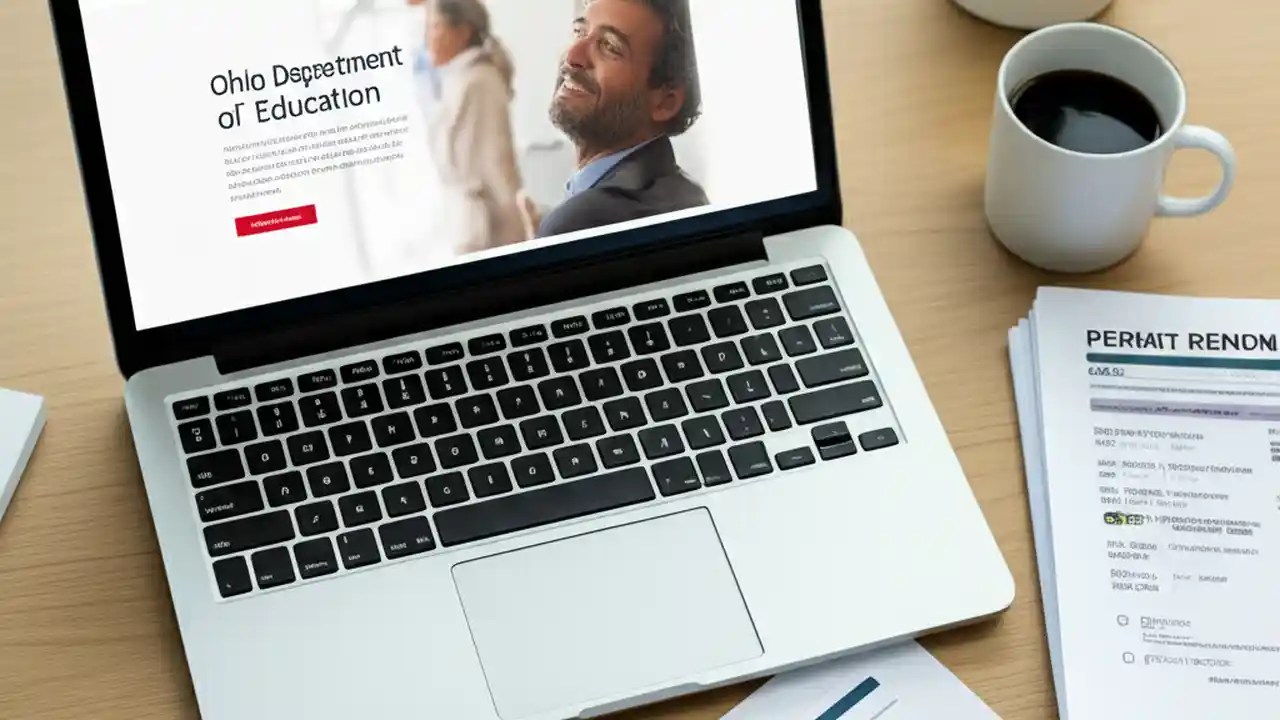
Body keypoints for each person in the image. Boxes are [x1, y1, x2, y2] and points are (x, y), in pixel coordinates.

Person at [532, 0, 709, 239]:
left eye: (609, 46)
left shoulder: (582, 223)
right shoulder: (686, 194)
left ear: (665, 102)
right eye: (579, 32)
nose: (573, 56)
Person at [422, 0, 526, 254]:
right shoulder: (461, 80)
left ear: (462, 32)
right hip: (472, 229)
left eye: (436, 27)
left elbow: (497, 169)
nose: (427, 38)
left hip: (486, 235)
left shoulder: (477, 82)